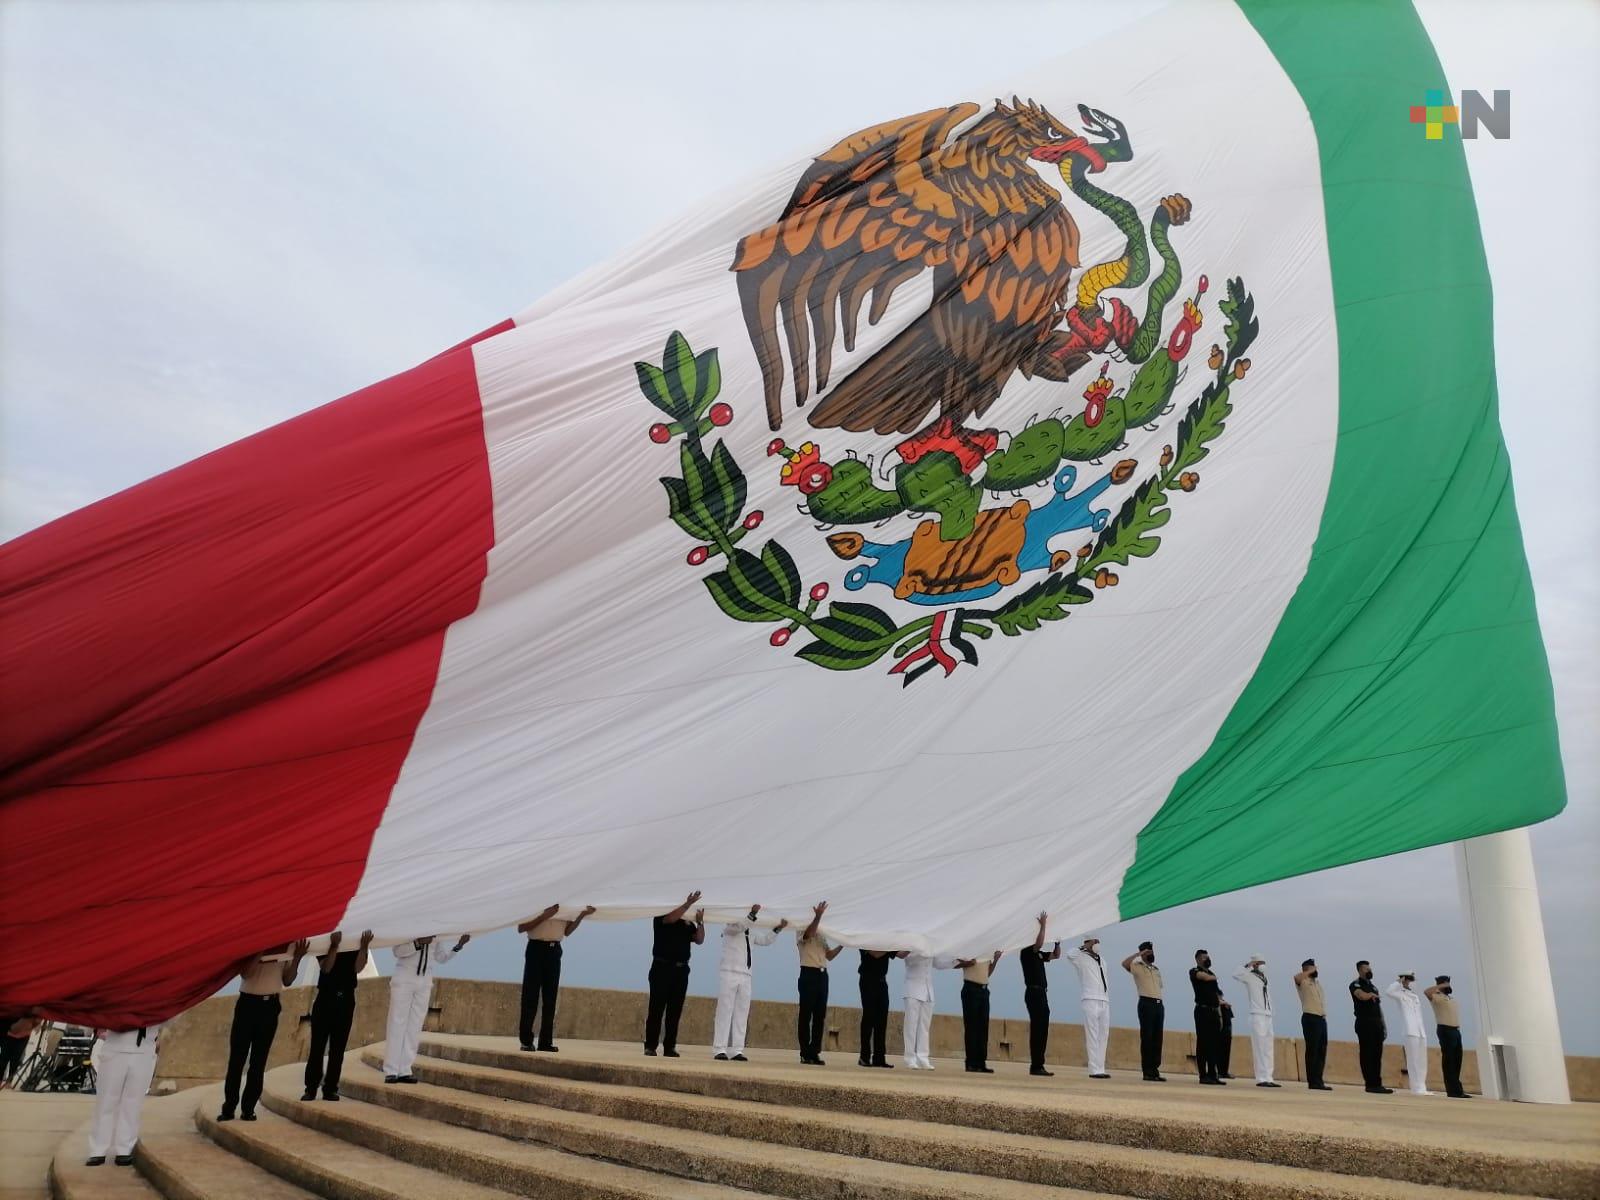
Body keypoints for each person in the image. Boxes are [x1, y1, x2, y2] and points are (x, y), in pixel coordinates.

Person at [220, 939, 307, 1120]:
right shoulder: (255, 943)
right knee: (237, 1060)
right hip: (248, 1004)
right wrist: (261, 950)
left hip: (270, 1006)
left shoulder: (286, 946)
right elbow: (246, 974)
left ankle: (248, 1108)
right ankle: (229, 1108)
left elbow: (288, 980)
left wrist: (297, 958)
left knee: (258, 1062)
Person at [383, 933, 470, 1083]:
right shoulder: (411, 926)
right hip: (404, 977)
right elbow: (397, 952)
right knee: (397, 1023)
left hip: (425, 981)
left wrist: (458, 946)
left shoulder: (438, 932)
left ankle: (405, 1069)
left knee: (415, 1026)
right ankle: (391, 1070)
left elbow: (441, 958)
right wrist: (418, 943)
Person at [302, 929, 372, 1101]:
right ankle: (311, 1088)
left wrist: (364, 947)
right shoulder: (325, 941)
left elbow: (358, 967)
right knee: (317, 1047)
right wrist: (334, 946)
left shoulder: (354, 942)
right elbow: (326, 968)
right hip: (326, 997)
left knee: (337, 1049)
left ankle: (330, 1088)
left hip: (346, 998)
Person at [517, 903, 595, 1053]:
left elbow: (567, 931)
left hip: (554, 950)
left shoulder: (566, 907)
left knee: (550, 998)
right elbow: (521, 928)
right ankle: (526, 1041)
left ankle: (545, 1042)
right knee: (530, 996)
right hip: (536, 948)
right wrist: (544, 916)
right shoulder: (536, 903)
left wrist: (582, 915)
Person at [712, 904, 786, 1061]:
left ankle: (737, 1050)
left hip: (746, 975)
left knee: (742, 1013)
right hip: (729, 972)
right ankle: (720, 1048)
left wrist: (777, 929)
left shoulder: (750, 930)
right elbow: (740, 926)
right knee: (724, 1011)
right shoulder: (730, 927)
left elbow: (765, 940)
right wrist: (752, 914)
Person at [85, 1022, 162, 1167]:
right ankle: (98, 1149)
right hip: (115, 1046)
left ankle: (124, 1149)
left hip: (144, 1048)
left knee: (133, 1103)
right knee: (106, 1101)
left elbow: (169, 1018)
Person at [645, 892, 704, 1057]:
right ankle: (650, 1046)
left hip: (681, 970)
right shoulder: (661, 917)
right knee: (656, 1009)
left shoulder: (687, 923)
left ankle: (669, 1047)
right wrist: (687, 904)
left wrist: (700, 923)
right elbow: (670, 919)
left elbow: (699, 940)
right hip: (661, 968)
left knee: (674, 1011)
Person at [796, 900, 843, 1065]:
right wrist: (817, 917)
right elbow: (808, 934)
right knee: (806, 1015)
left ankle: (814, 1051)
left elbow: (829, 955)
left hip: (822, 975)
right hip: (808, 973)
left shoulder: (822, 935)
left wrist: (843, 944)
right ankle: (805, 1052)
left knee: (819, 1016)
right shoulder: (802, 928)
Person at [1020, 914, 1062, 1077]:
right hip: (1033, 992)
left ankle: (1039, 1064)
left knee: (1042, 1028)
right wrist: (1043, 925)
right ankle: (1036, 1065)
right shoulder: (1027, 952)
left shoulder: (1038, 954)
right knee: (1038, 1028)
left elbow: (1055, 955)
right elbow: (1038, 943)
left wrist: (1058, 943)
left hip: (1042, 993)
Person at [1065, 934, 1112, 1079]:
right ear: (1089, 943)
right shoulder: (1080, 957)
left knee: (1103, 1034)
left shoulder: (1102, 960)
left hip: (1104, 1000)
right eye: (1095, 941)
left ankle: (1101, 1067)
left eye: (1099, 941)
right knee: (1092, 1034)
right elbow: (1069, 954)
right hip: (1090, 998)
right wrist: (1085, 946)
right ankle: (1094, 1069)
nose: (1098, 944)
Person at [899, 950, 954, 1070]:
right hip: (913, 989)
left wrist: (956, 962)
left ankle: (923, 1057)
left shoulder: (931, 946)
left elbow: (938, 963)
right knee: (911, 1026)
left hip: (928, 991)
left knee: (924, 1027)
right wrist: (921, 949)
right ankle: (910, 1058)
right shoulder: (913, 945)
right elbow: (909, 960)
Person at [1231, 955, 1280, 1087]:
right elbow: (1235, 974)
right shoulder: (1249, 976)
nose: (1263, 965)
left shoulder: (1265, 977)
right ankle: (1261, 1078)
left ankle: (1269, 1077)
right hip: (1257, 1014)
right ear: (1256, 964)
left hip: (1268, 1014)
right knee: (1259, 1046)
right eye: (1260, 963)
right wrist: (1249, 964)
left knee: (1268, 1047)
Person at [1122, 941, 1166, 1081]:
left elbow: (1160, 987)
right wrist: (1138, 955)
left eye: (1152, 951)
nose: (1152, 953)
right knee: (1147, 1038)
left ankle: (1155, 1070)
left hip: (1158, 1004)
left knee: (1157, 1039)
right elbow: (1124, 964)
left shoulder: (1156, 969)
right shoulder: (1137, 966)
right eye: (1148, 951)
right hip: (1146, 1004)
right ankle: (1147, 1071)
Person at [1386, 970, 1432, 1096]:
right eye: (1409, 979)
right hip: (1410, 1030)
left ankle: (1422, 1086)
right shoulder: (1400, 994)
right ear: (1404, 979)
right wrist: (1398, 982)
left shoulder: (1415, 996)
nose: (1412, 982)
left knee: (1422, 1060)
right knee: (1413, 1060)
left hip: (1420, 1031)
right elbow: (1388, 992)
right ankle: (1416, 1088)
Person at [1349, 960, 1391, 1093]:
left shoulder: (1373, 987)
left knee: (1377, 1054)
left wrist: (1383, 1025)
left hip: (1376, 1023)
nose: (1369, 970)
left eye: (1370, 968)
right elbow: (1360, 996)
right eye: (1366, 969)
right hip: (1364, 1022)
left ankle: (1377, 1084)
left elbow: (1378, 1008)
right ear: (1360, 970)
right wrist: (1369, 996)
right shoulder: (1355, 985)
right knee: (1367, 1053)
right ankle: (1370, 1084)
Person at [957, 949, 1002, 1073]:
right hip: (971, 987)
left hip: (984, 989)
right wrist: (967, 963)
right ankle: (971, 1062)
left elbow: (987, 972)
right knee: (972, 1027)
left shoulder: (986, 951)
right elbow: (954, 963)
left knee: (983, 1027)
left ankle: (981, 1062)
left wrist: (996, 959)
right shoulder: (969, 947)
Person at [1425, 975, 1470, 1098]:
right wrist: (1440, 986)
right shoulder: (1436, 997)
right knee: (1449, 1060)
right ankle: (1452, 1090)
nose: (1449, 986)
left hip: (1455, 1030)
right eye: (1447, 983)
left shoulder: (1450, 998)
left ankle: (1458, 1089)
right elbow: (1426, 992)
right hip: (1445, 1030)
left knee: (1457, 1060)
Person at [1294, 958, 1332, 1090]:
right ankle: (1312, 1081)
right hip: (1310, 1018)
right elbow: (1296, 978)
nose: (1316, 970)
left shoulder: (1317, 983)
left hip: (1321, 1019)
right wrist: (1308, 971)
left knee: (1322, 1050)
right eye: (1313, 968)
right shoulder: (1303, 981)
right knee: (1312, 1050)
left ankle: (1319, 1080)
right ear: (1306, 969)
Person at [1188, 949, 1225, 1085]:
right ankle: (1203, 1075)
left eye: (1208, 957)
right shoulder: (1194, 971)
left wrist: (1222, 1003)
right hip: (1202, 1011)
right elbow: (1203, 977)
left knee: (1214, 1044)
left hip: (1213, 1011)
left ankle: (1213, 1074)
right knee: (1203, 1043)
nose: (1207, 959)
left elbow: (1216, 993)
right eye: (1204, 957)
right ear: (1198, 959)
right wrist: (1213, 977)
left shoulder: (1212, 974)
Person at [857, 949, 895, 1068]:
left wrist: (913, 943)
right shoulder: (866, 938)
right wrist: (889, 947)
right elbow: (875, 954)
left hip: (882, 982)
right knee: (869, 1018)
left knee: (881, 1020)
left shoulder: (887, 942)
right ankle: (864, 1057)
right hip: (868, 980)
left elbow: (901, 954)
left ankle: (879, 1058)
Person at [1, 1015, 37, 1088]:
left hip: (24, 1035)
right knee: (4, 1058)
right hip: (9, 1033)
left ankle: (9, 1081)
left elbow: (36, 1021)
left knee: (15, 1059)